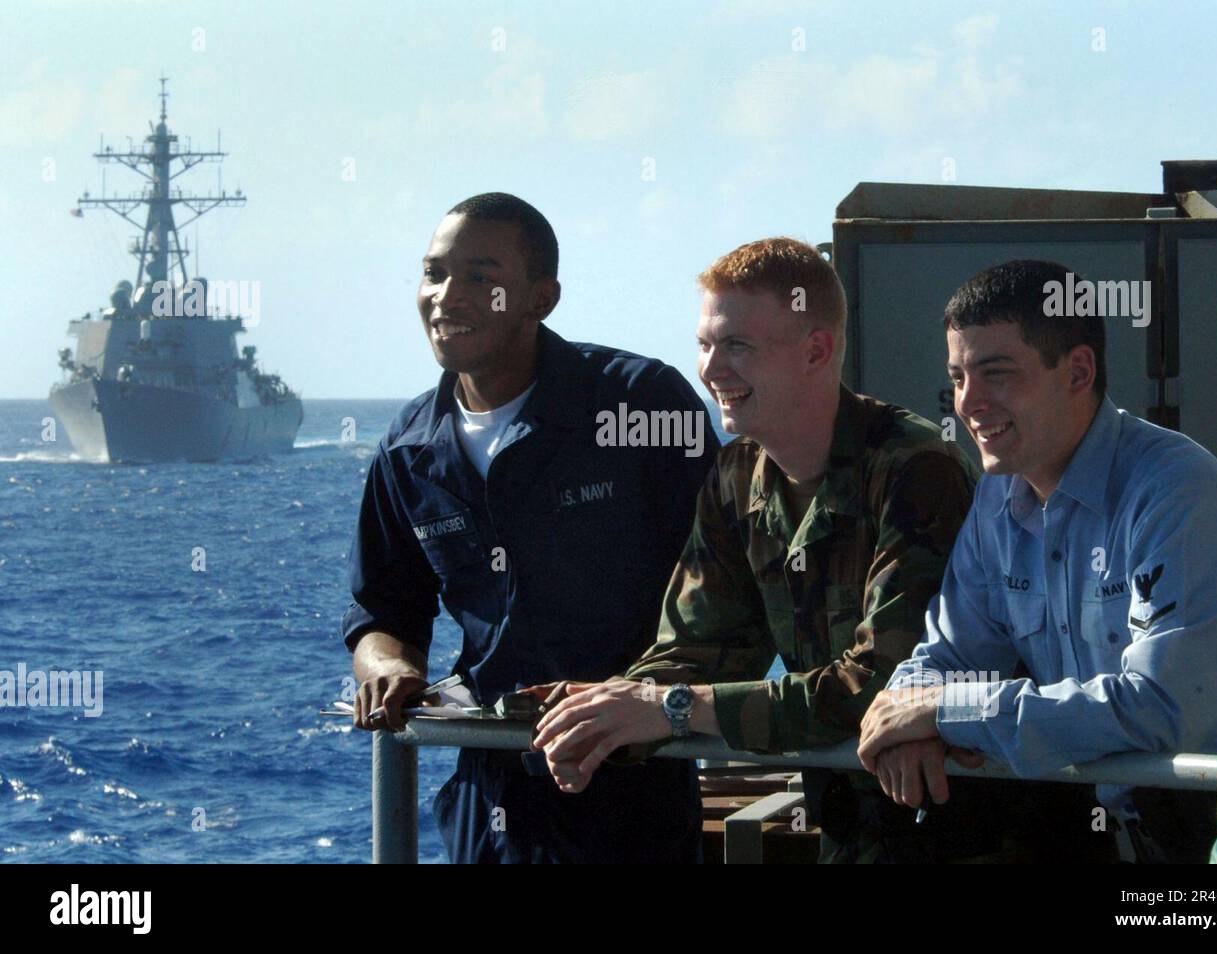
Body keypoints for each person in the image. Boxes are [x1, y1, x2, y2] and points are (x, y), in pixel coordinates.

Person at [532, 237, 990, 862]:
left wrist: (666, 707)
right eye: (705, 345)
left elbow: (884, 684)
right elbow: (699, 648)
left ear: (817, 350)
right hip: (855, 826)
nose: (712, 369)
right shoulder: (736, 476)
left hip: (977, 822)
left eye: (737, 346)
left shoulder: (914, 469)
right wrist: (606, 703)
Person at [857, 259, 1217, 863]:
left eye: (995, 373)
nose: (967, 402)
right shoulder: (997, 500)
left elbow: (1161, 708)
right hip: (1139, 825)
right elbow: (945, 658)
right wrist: (909, 719)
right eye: (957, 377)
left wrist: (945, 713)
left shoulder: (1175, 492)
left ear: (1078, 371)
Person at [343, 192, 719, 863]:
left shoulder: (642, 405)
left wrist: (660, 698)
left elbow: (727, 577)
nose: (446, 296)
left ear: (541, 299)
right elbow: (382, 607)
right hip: (489, 790)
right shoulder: (408, 448)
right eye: (433, 274)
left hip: (630, 787)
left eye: (481, 278)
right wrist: (387, 664)